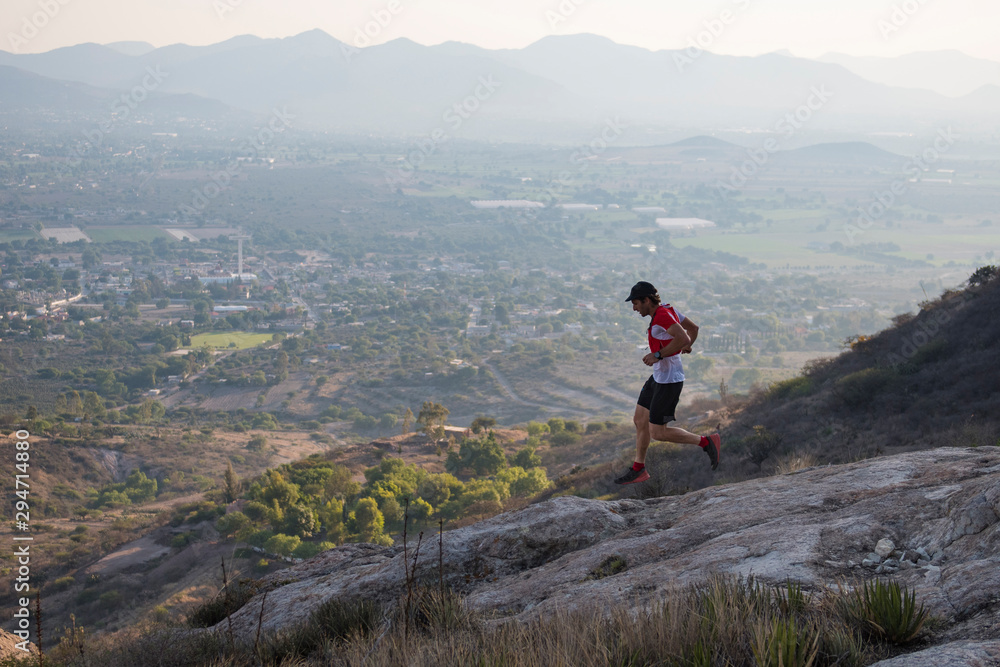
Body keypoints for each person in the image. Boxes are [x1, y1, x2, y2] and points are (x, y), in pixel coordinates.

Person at [615, 281, 721, 485]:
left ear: (647, 300)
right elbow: (693, 329)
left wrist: (658, 354)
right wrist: (687, 345)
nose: (634, 308)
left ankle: (707, 442)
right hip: (658, 377)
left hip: (669, 380)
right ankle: (639, 469)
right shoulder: (667, 309)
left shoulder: (662, 316)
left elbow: (682, 336)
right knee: (640, 420)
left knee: (658, 433)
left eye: (636, 303)